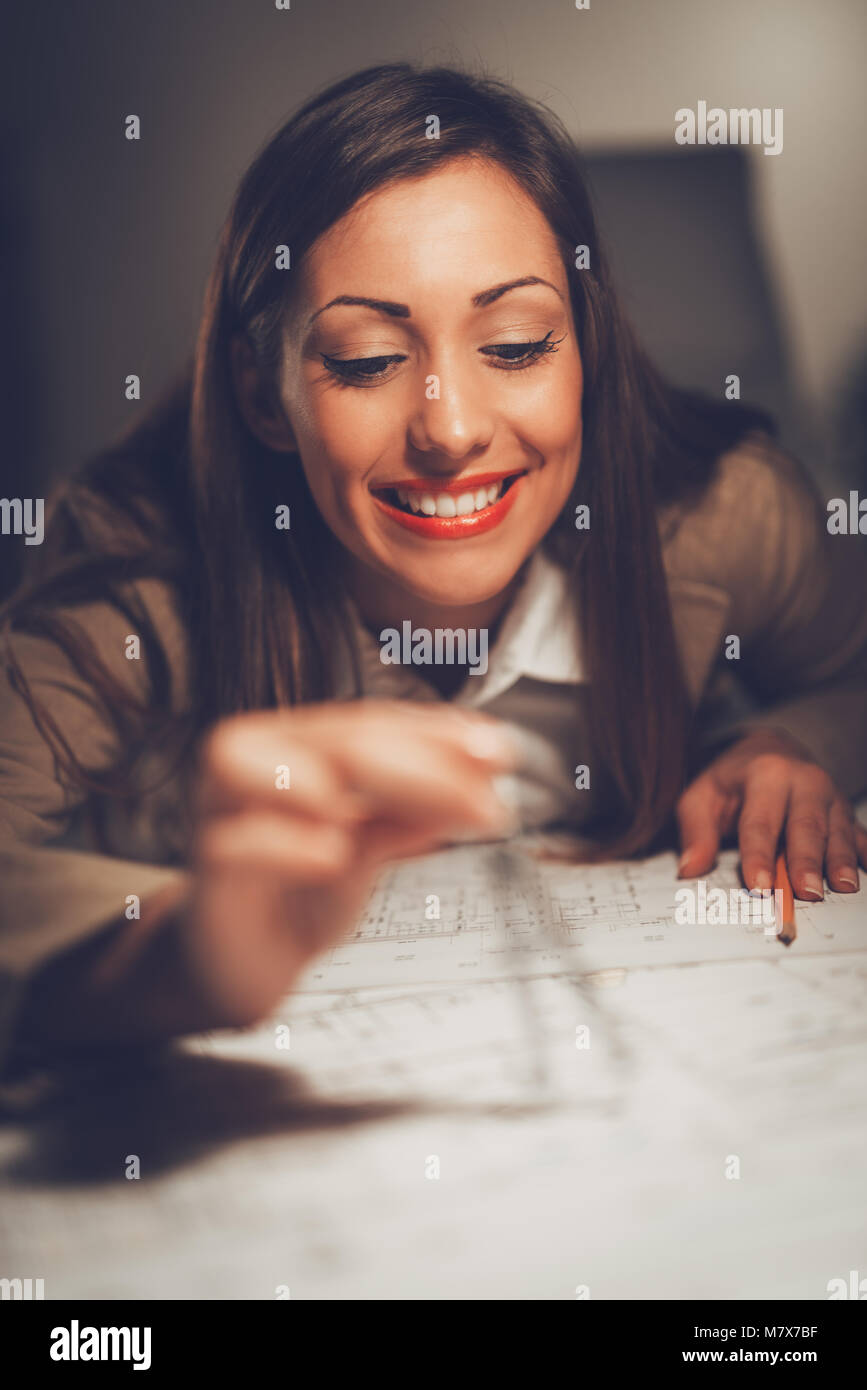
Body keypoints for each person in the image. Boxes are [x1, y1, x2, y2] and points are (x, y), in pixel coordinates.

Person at [2, 63, 865, 1075]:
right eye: (366, 360)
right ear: (262, 391)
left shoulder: (720, 513)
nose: (450, 430)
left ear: (584, 346)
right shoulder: (136, 588)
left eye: (515, 343)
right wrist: (182, 955)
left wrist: (789, 739)